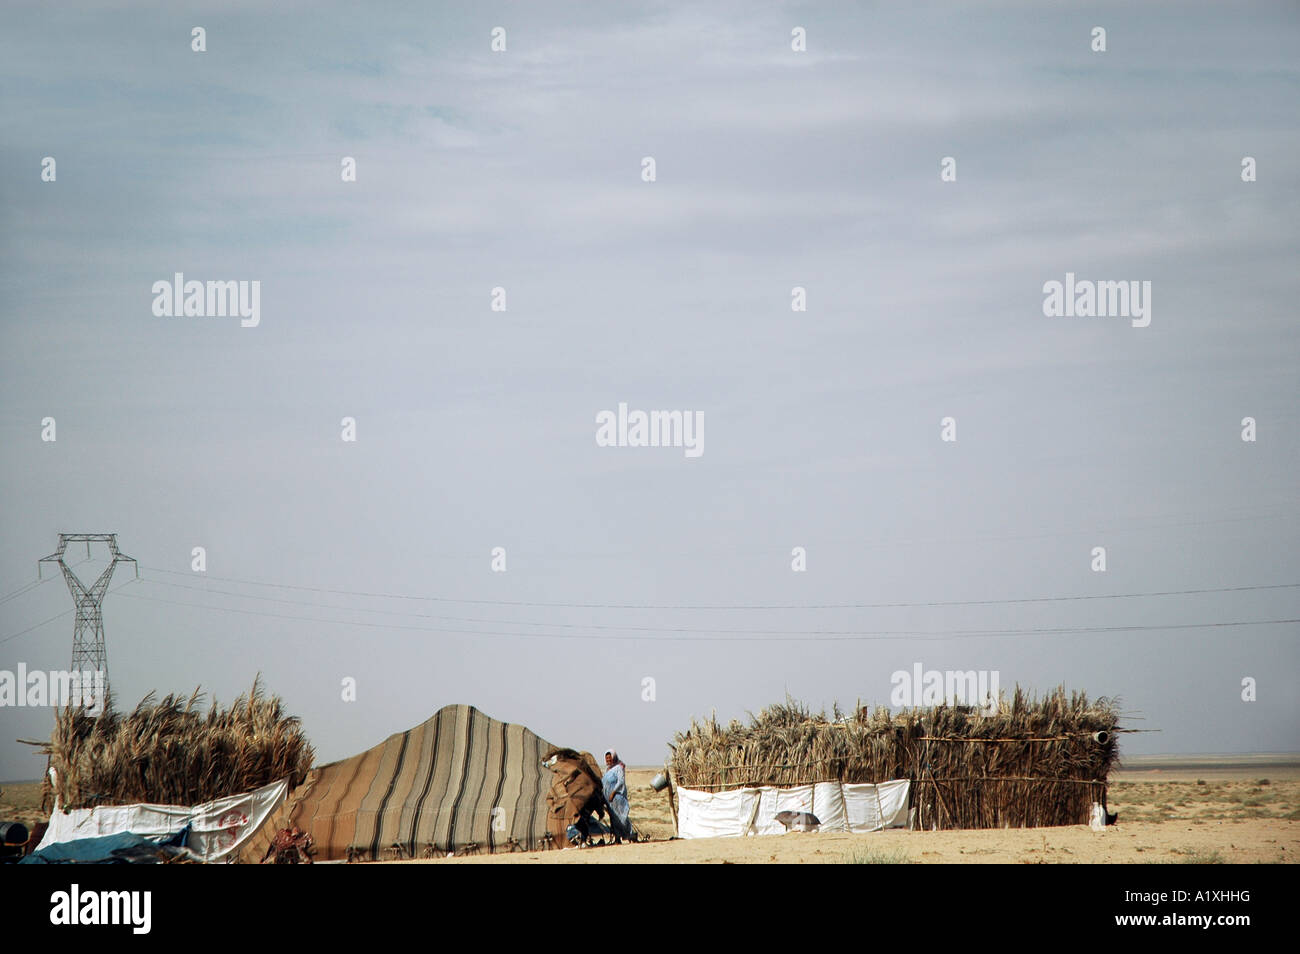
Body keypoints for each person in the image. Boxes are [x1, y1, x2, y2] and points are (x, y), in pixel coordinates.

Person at [602, 750, 633, 843]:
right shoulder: (607, 770)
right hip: (609, 800)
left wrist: (613, 793)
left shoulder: (619, 768)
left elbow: (620, 782)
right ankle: (617, 838)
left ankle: (630, 835)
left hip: (617, 797)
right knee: (613, 819)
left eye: (610, 757)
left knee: (621, 818)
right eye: (606, 758)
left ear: (614, 757)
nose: (608, 759)